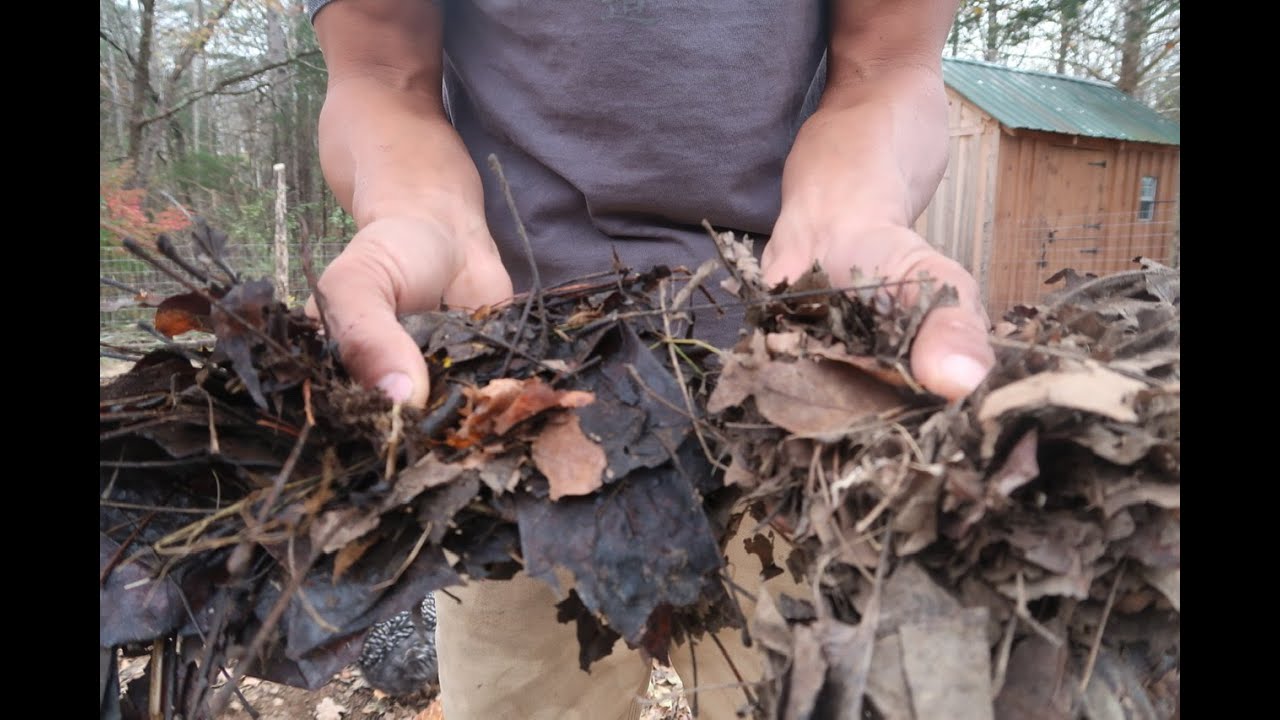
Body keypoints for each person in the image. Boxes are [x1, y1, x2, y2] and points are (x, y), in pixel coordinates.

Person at [303, 1, 996, 718]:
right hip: (510, 395)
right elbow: (381, 70)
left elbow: (885, 62)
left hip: (790, 384)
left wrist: (858, 211)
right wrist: (416, 211)